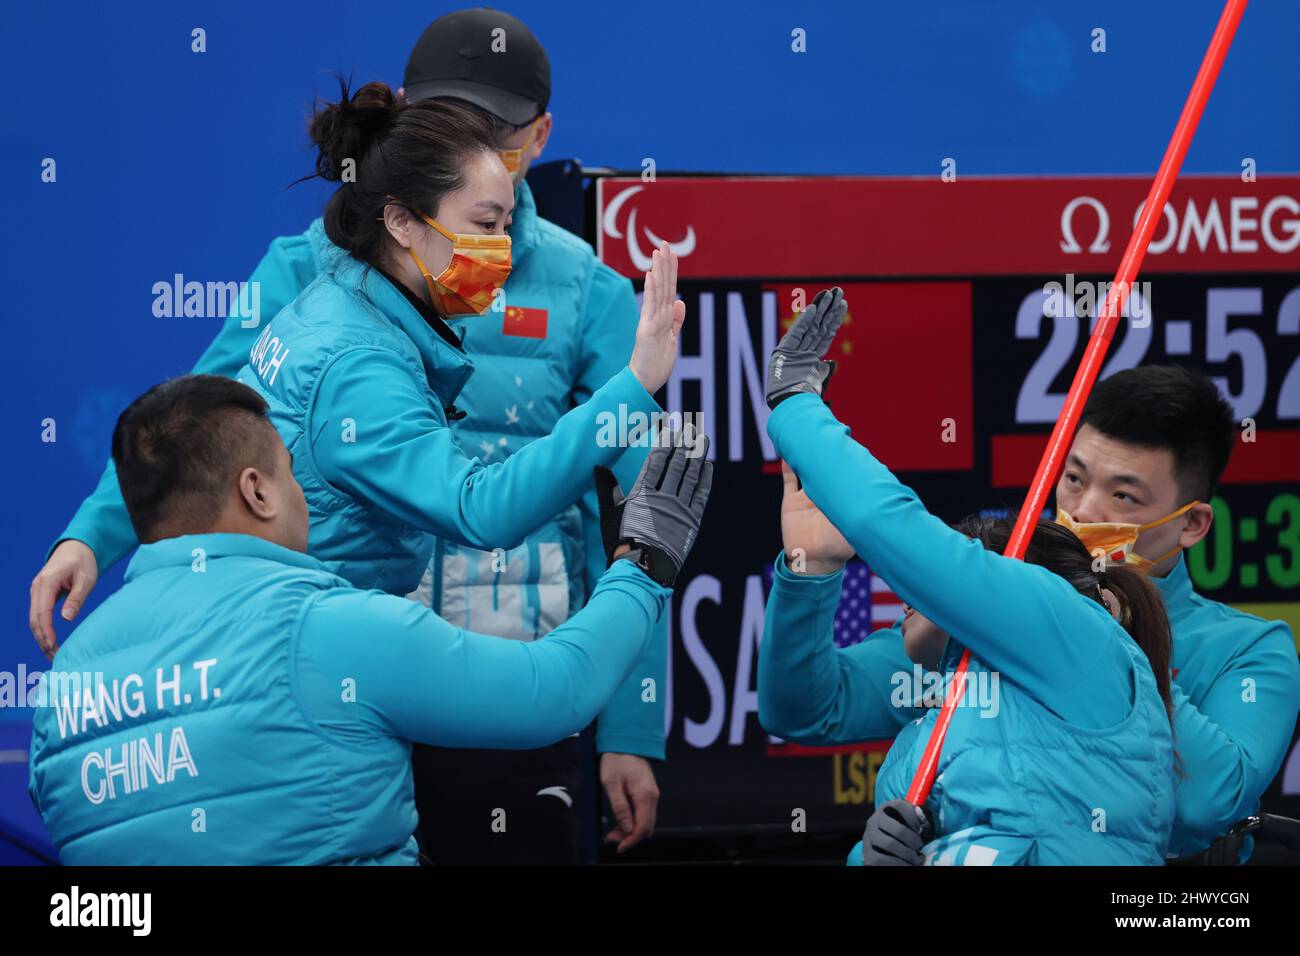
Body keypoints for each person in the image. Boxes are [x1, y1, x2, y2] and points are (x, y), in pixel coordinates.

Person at [30, 8, 670, 858]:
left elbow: (638, 508)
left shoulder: (592, 288)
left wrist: (630, 721)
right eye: (454, 117)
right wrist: (91, 534)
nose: (477, 141)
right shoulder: (316, 262)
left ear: (541, 135)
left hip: (515, 683)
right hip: (339, 674)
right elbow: (201, 425)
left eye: (502, 131)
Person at [27, 375, 711, 865]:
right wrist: (644, 564)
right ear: (256, 491)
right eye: (292, 473)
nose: (303, 494)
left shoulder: (62, 691)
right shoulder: (327, 629)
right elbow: (554, 691)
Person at [754, 337, 1300, 860]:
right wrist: (813, 573)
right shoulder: (1008, 595)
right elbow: (807, 709)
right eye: (1073, 478)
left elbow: (1203, 803)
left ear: (1193, 523)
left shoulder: (1252, 651)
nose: (1083, 510)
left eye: (1123, 495)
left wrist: (1108, 633)